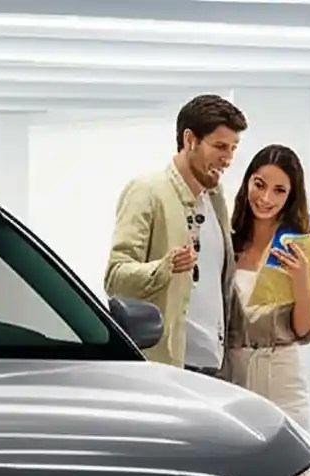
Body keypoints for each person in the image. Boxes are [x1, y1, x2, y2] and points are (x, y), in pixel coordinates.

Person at [104, 94, 247, 373]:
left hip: (214, 367)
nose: (228, 159)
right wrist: (165, 267)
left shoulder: (215, 199)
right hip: (169, 367)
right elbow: (115, 278)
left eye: (233, 148)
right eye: (220, 146)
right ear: (190, 139)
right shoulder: (147, 191)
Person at [222, 144, 310, 435]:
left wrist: (301, 278)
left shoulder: (302, 247)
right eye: (260, 185)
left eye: (279, 190)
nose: (266, 198)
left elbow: (304, 329)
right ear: (248, 183)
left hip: (283, 376)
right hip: (233, 374)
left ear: (291, 196)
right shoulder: (226, 242)